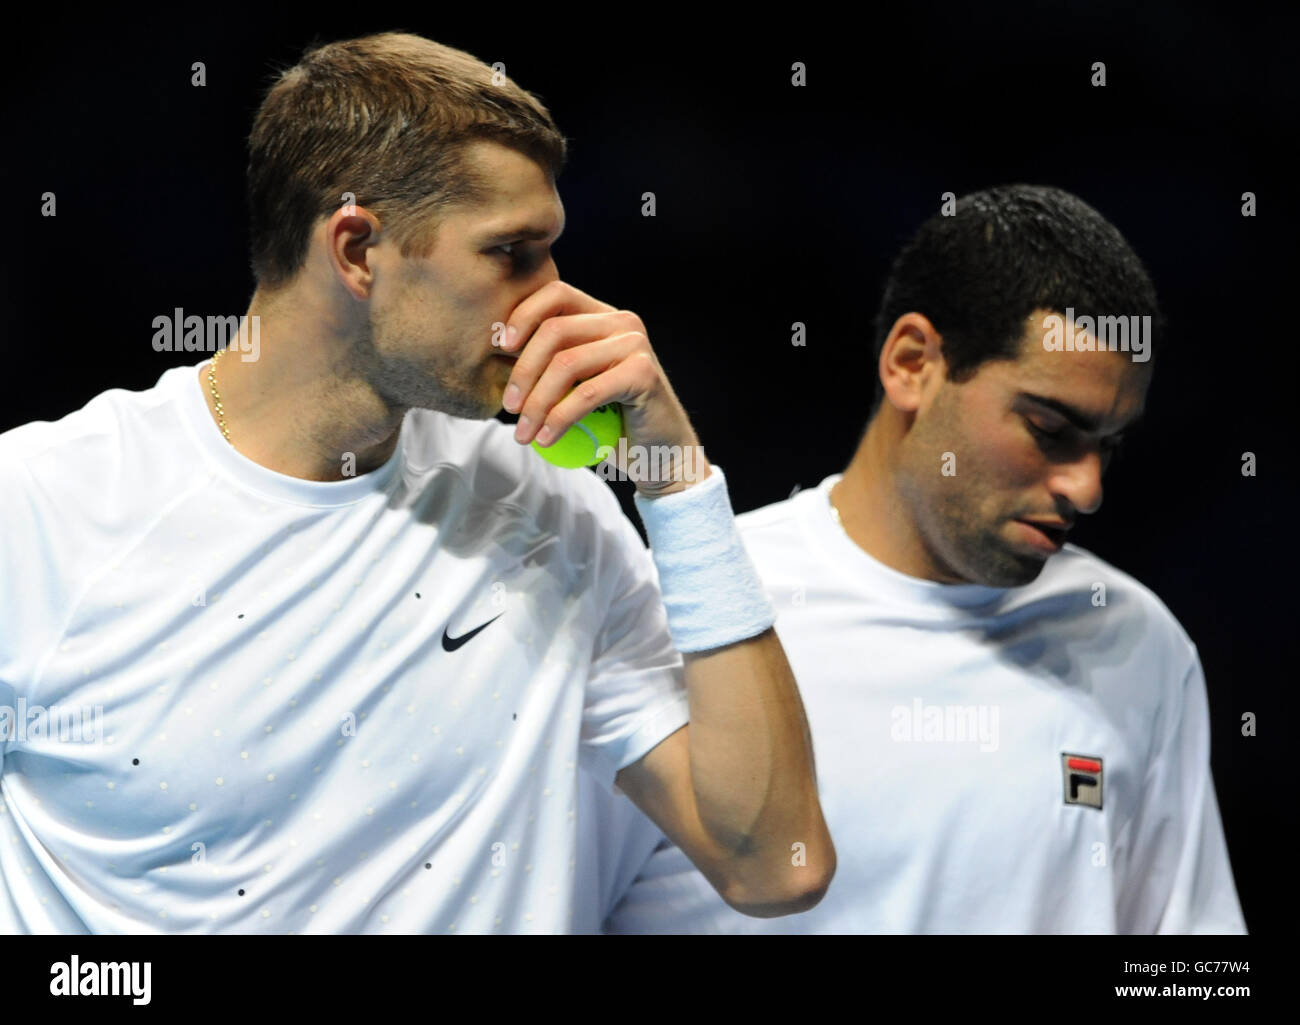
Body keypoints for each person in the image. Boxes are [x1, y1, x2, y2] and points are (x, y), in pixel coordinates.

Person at [0, 31, 835, 933]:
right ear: (357, 249)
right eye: (512, 253)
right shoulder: (40, 505)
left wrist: (677, 478)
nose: (556, 299)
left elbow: (775, 866)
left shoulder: (550, 508)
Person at [576, 185, 1247, 934]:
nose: (1086, 488)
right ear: (912, 363)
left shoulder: (1137, 642)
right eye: (1050, 429)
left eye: (1109, 445)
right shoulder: (675, 614)